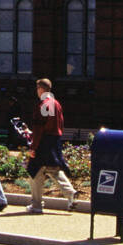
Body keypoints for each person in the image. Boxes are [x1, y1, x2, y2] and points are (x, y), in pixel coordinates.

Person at [26, 77, 79, 213]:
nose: (36, 91)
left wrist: (33, 146)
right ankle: (70, 193)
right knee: (54, 170)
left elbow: (40, 126)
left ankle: (37, 205)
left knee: (35, 172)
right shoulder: (56, 103)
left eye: (37, 88)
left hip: (44, 141)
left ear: (41, 89)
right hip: (55, 140)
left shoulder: (44, 104)